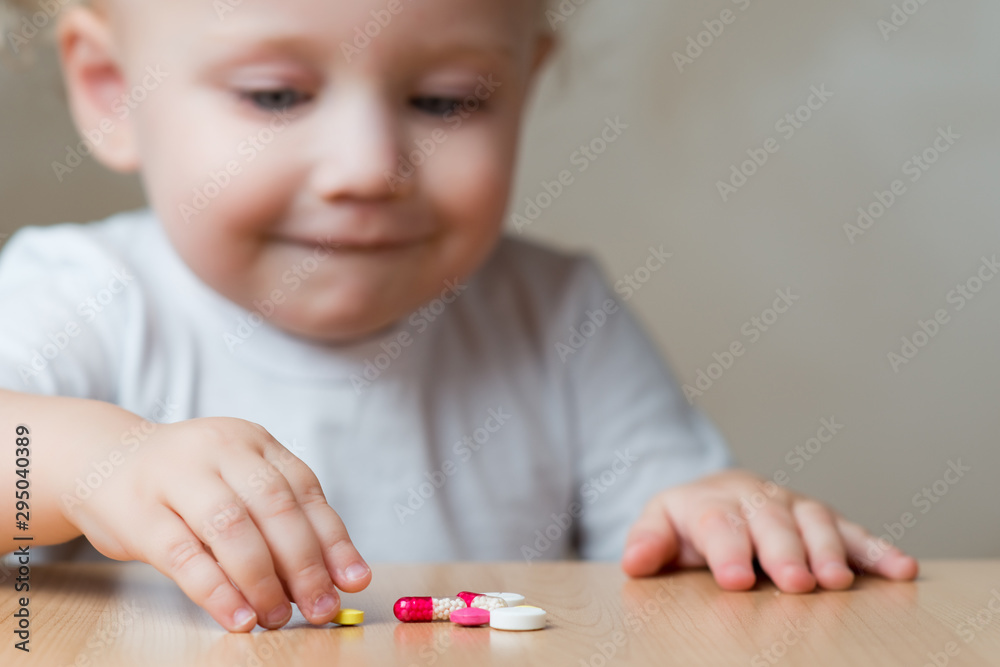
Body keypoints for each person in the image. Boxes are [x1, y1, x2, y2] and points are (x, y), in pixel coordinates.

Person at [0, 0, 917, 633]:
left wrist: (717, 522)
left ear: (523, 86)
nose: (368, 166)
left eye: (447, 100)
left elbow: (665, 555)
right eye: (275, 95)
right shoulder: (85, 291)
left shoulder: (559, 317)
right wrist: (92, 463)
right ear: (113, 90)